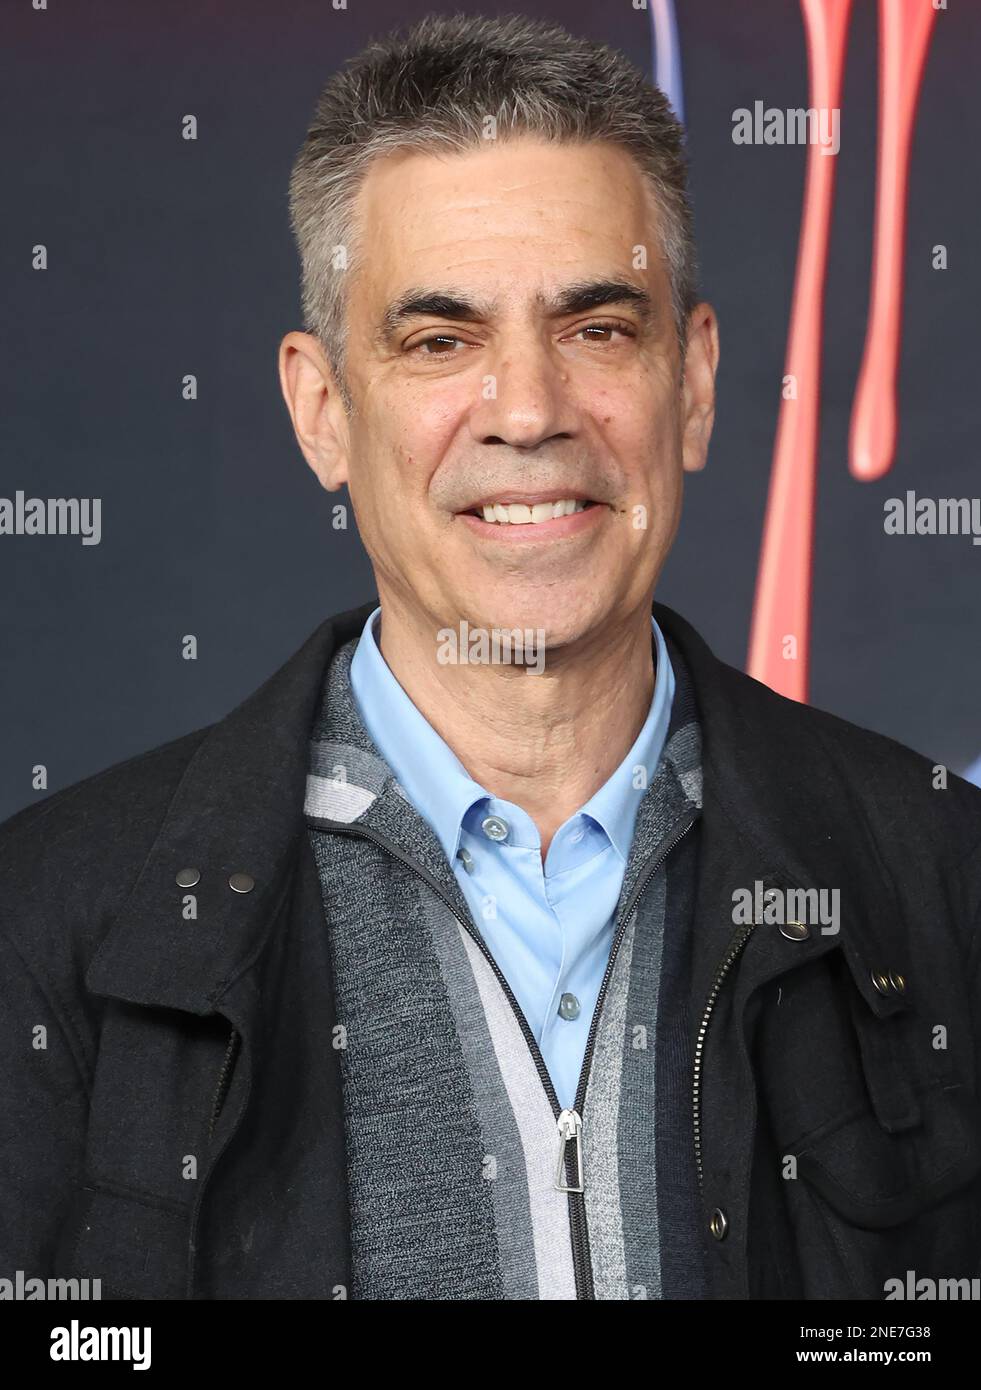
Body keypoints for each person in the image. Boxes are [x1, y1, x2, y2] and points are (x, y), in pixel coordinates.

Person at [2, 11, 980, 1302]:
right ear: (321, 411)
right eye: (438, 340)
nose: (526, 411)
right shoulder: (47, 926)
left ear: (691, 383)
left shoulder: (944, 880)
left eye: (596, 329)